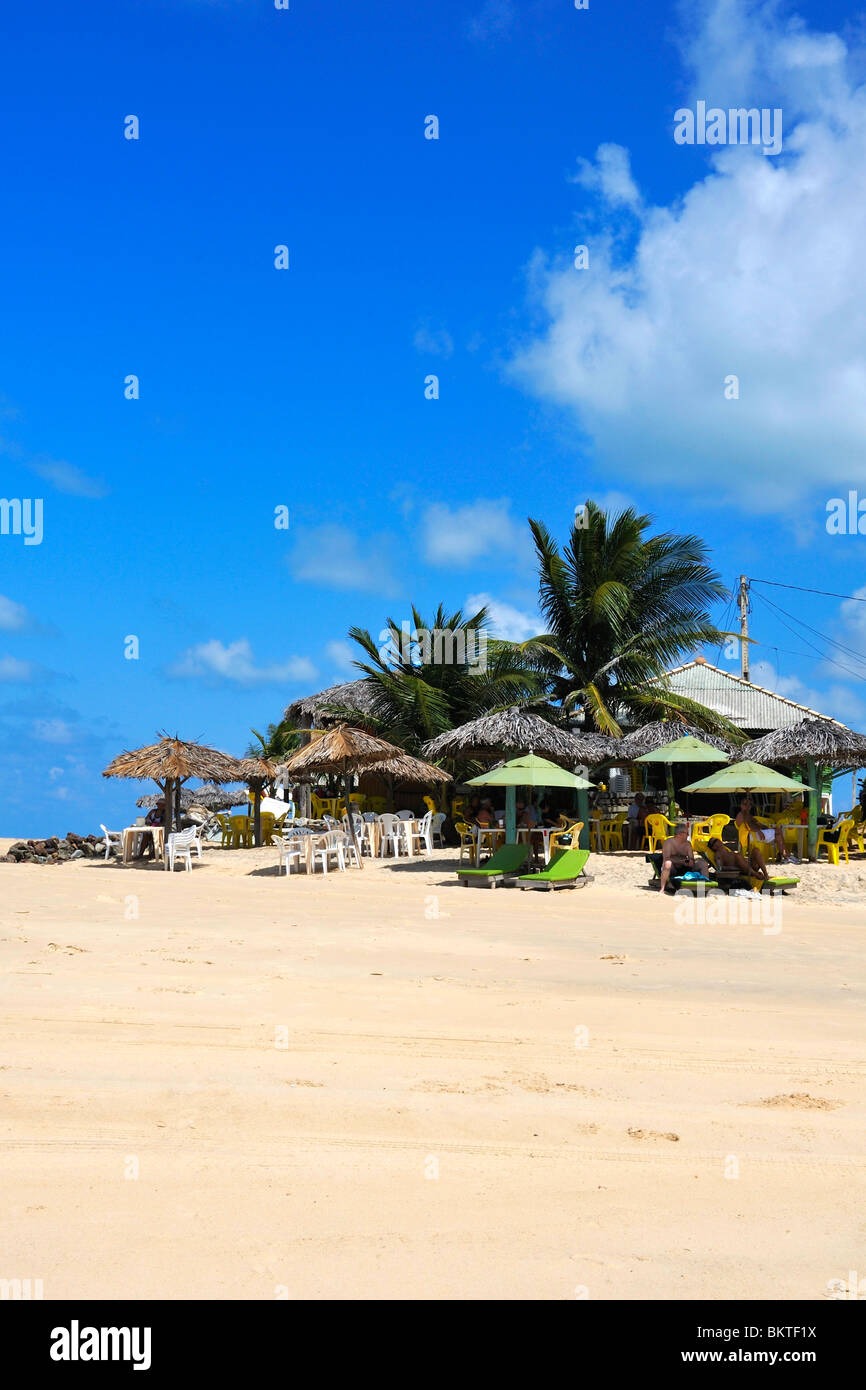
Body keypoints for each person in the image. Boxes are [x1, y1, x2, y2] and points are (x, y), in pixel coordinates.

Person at [735, 797, 792, 863]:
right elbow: (746, 827)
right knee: (778, 832)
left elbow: (759, 824)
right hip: (750, 836)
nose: (747, 806)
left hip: (756, 834)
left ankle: (783, 854)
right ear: (741, 805)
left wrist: (768, 828)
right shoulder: (741, 815)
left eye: (749, 804)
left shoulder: (749, 815)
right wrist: (758, 831)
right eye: (745, 804)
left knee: (778, 832)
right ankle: (784, 854)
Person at [658, 823, 709, 894]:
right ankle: (662, 888)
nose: (688, 835)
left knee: (702, 863)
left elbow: (691, 858)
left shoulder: (687, 844)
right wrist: (680, 861)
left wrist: (691, 861)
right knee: (667, 863)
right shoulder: (669, 842)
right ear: (680, 834)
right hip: (672, 869)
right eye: (687, 833)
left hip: (684, 868)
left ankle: (705, 887)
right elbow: (666, 858)